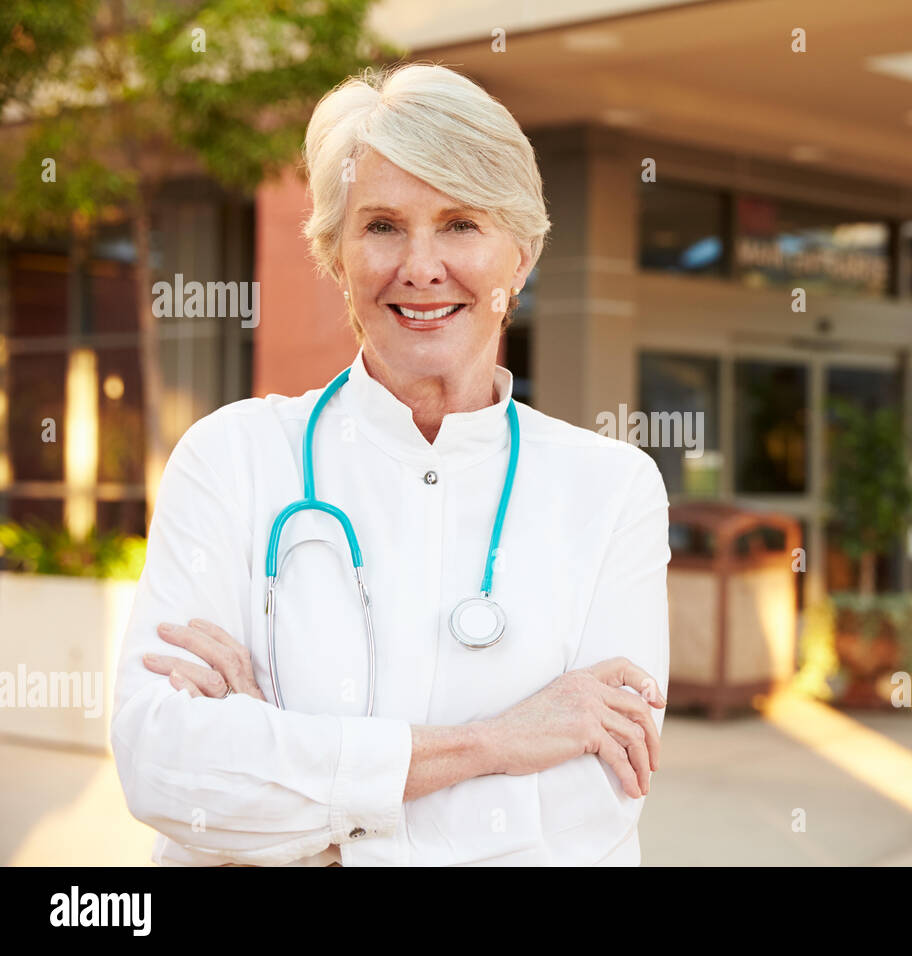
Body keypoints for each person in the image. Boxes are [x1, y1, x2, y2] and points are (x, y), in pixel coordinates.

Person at [110, 62, 669, 866]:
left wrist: (292, 778)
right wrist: (499, 744)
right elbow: (166, 766)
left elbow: (589, 810)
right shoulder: (231, 458)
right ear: (337, 256)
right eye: (380, 226)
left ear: (521, 255)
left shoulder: (611, 491)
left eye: (461, 223)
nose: (419, 265)